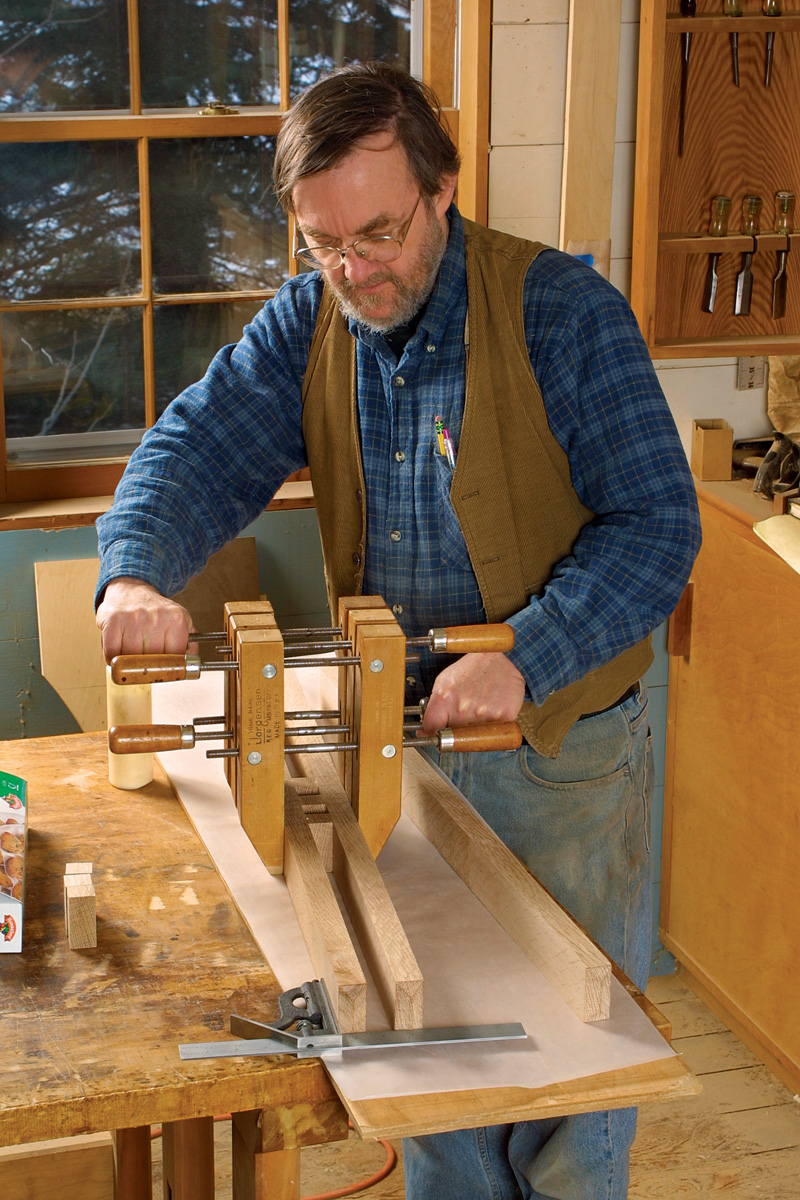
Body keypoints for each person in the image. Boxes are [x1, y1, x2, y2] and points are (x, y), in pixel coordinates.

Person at [95, 61, 701, 1200]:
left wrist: (530, 654)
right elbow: (192, 452)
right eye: (322, 245)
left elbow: (658, 530)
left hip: (557, 755)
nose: (353, 271)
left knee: (570, 1081)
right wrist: (131, 577)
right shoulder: (308, 321)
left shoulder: (564, 315)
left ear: (440, 191)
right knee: (431, 1053)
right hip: (400, 750)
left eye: (375, 233)